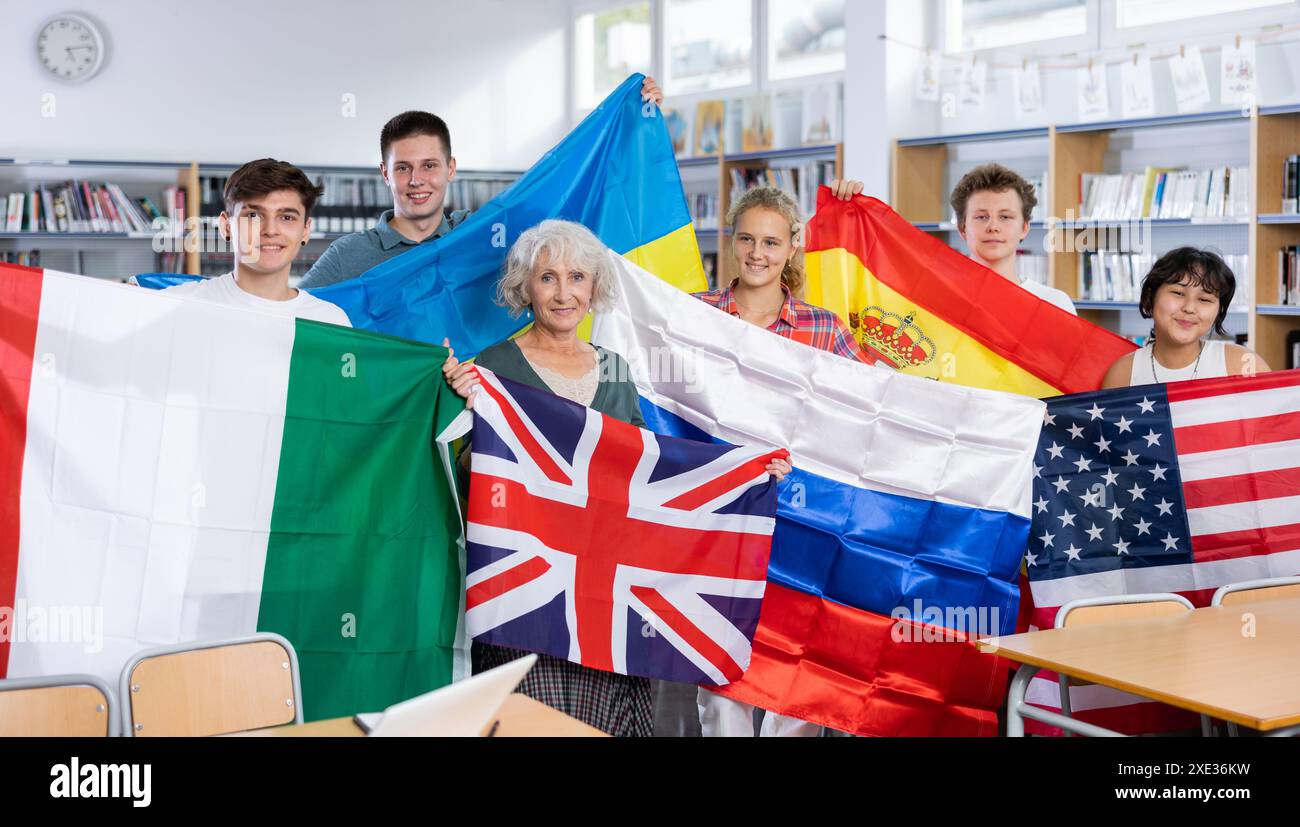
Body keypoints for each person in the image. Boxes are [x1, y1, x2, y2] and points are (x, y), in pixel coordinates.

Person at [441, 218, 789, 737]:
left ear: (594, 287)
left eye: (577, 277)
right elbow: (472, 479)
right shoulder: (495, 369)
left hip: (608, 598)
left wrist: (745, 473)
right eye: (548, 278)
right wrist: (470, 409)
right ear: (525, 287)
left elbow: (654, 470)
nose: (564, 293)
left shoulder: (616, 369)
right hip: (530, 596)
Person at [690, 181, 864, 738]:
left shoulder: (826, 330)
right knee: (722, 676)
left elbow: (869, 416)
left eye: (771, 242)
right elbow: (664, 408)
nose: (757, 254)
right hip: (716, 520)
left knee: (794, 680)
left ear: (793, 247)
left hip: (801, 521)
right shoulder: (693, 317)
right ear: (732, 241)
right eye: (747, 239)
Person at [300, 78, 665, 289]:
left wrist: (632, 126)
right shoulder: (348, 256)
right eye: (402, 169)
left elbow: (565, 206)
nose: (416, 181)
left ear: (451, 168)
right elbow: (291, 318)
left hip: (473, 413)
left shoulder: (481, 234)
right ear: (384, 173)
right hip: (389, 414)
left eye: (429, 165)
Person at [163, 158, 350, 325]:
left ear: (305, 230)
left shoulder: (329, 322)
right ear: (226, 226)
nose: (270, 230)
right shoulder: (176, 307)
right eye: (253, 215)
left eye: (286, 217)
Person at [1101, 247, 1268, 387]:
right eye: (1178, 293)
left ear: (1219, 311)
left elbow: (1278, 422)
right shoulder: (1123, 373)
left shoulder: (1243, 363)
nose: (1189, 308)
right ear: (1150, 297)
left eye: (1204, 299)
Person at [950, 163, 1076, 316]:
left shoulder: (1055, 304)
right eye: (981, 217)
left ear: (1024, 228)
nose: (993, 227)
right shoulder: (939, 302)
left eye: (1005, 217)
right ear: (962, 228)